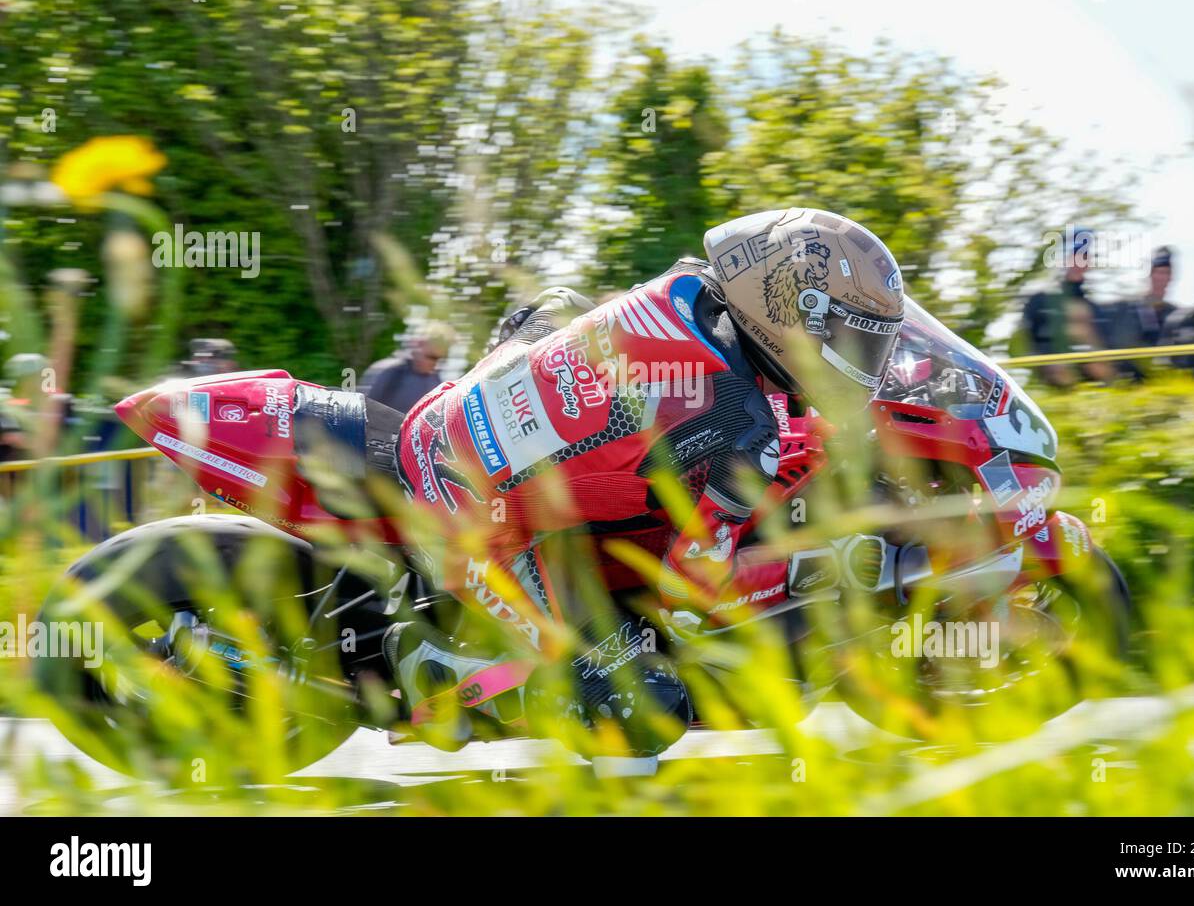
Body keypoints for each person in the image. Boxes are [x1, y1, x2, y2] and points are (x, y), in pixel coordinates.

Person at [383, 208, 906, 756]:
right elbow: (688, 592)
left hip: (437, 418)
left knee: (563, 305)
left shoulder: (688, 284)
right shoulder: (748, 432)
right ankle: (443, 671)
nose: (861, 363)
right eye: (851, 342)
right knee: (651, 705)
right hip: (466, 523)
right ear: (795, 314)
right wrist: (821, 564)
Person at [1017, 226, 1114, 385]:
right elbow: (1024, 346)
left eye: (1084, 257)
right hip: (1048, 389)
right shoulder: (1038, 302)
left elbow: (1107, 357)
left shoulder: (1096, 310)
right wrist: (1048, 367)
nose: (1079, 263)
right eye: (1074, 256)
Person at [1104, 246, 1179, 378]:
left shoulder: (1175, 314)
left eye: (1166, 273)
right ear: (1150, 275)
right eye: (1158, 272)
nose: (1161, 278)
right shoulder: (1128, 309)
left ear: (1171, 277)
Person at [359, 321, 454, 413]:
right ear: (417, 344)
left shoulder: (436, 383)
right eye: (431, 357)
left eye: (440, 360)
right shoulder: (387, 371)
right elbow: (360, 411)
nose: (435, 365)